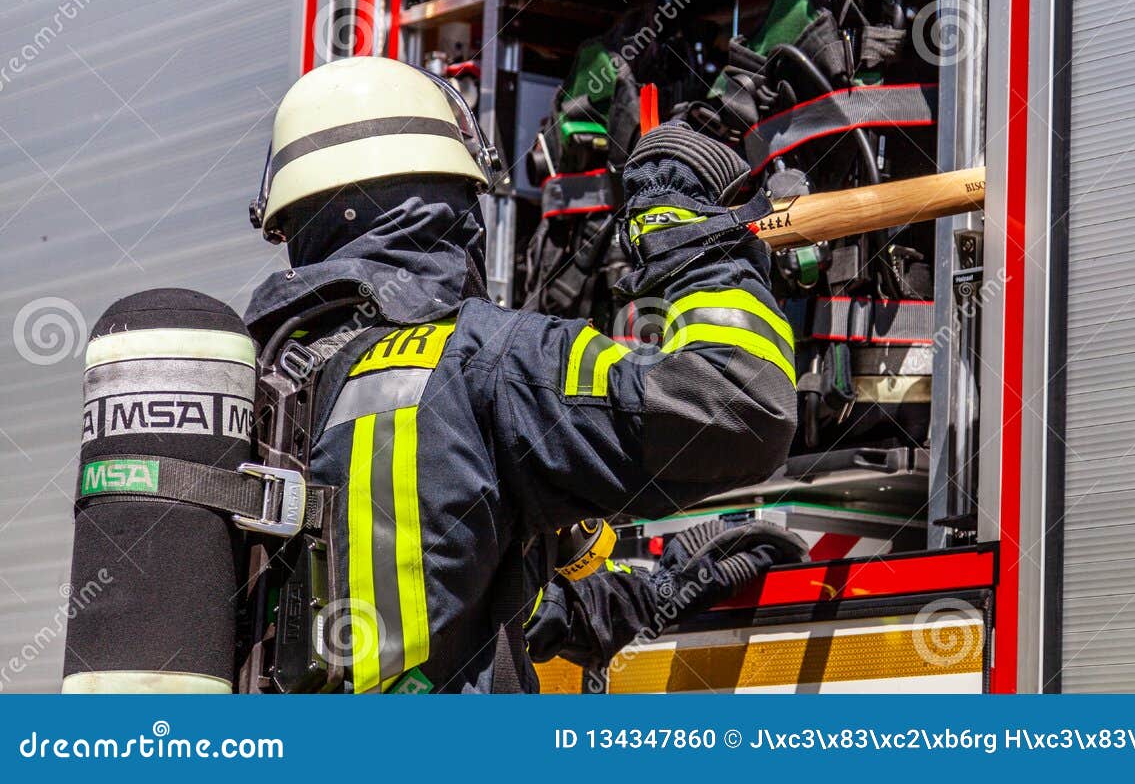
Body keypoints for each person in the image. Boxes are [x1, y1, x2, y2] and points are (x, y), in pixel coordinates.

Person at [243, 56, 799, 693]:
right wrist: (686, 235)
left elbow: (431, 590)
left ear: (291, 222)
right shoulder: (486, 361)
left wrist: (622, 605)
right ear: (453, 201)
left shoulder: (252, 398)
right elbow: (738, 406)